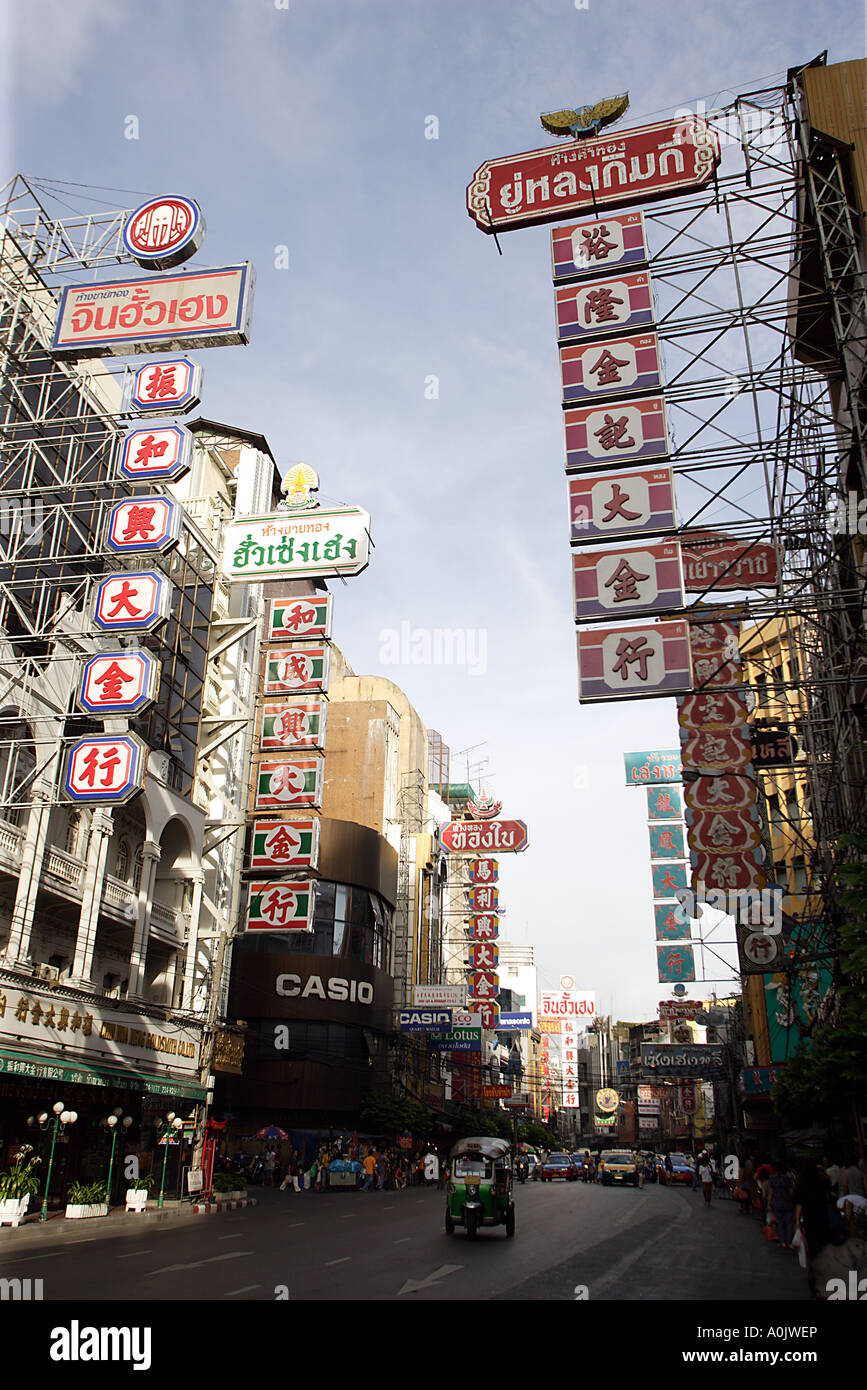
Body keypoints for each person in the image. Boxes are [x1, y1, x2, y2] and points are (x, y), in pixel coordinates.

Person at [768, 1160, 796, 1248]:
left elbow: (771, 1192)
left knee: (780, 1222)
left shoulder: (772, 1178)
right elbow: (791, 1192)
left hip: (777, 1202)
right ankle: (790, 1242)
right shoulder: (787, 1178)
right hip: (787, 1202)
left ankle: (782, 1242)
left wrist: (769, 1204)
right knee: (789, 1222)